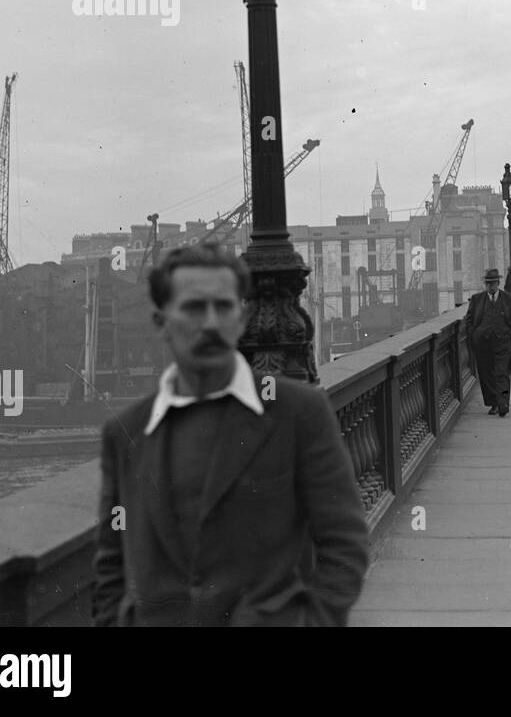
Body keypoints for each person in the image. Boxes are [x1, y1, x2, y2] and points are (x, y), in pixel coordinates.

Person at [92, 243, 369, 627]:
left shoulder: (297, 412)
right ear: (161, 322)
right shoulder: (126, 432)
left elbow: (345, 542)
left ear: (240, 319)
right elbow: (111, 564)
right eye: (193, 308)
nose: (210, 323)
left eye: (223, 307)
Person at [466, 267, 511, 416]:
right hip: (482, 343)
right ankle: (493, 403)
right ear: (485, 284)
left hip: (503, 342)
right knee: (486, 374)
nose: (490, 286)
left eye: (493, 283)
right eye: (488, 283)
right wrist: (473, 334)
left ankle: (503, 403)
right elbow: (469, 320)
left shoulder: (508, 298)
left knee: (501, 373)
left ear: (498, 283)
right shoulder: (476, 299)